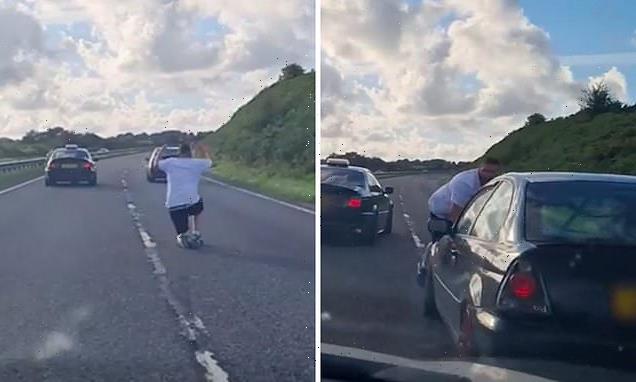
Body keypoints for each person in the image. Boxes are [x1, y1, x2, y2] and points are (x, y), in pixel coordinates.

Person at [152, 142, 212, 248]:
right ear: (190, 153)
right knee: (198, 207)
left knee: (182, 231)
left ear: (179, 153)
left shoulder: (170, 162)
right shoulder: (196, 163)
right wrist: (204, 150)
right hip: (191, 201)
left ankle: (183, 235)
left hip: (174, 203)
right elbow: (209, 162)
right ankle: (196, 232)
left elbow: (155, 164)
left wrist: (159, 151)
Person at [427, 157, 501, 242]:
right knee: (444, 245)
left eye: (492, 172)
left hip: (462, 211)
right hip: (442, 214)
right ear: (479, 169)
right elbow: (455, 214)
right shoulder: (464, 183)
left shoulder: (496, 181)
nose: (488, 175)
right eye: (485, 171)